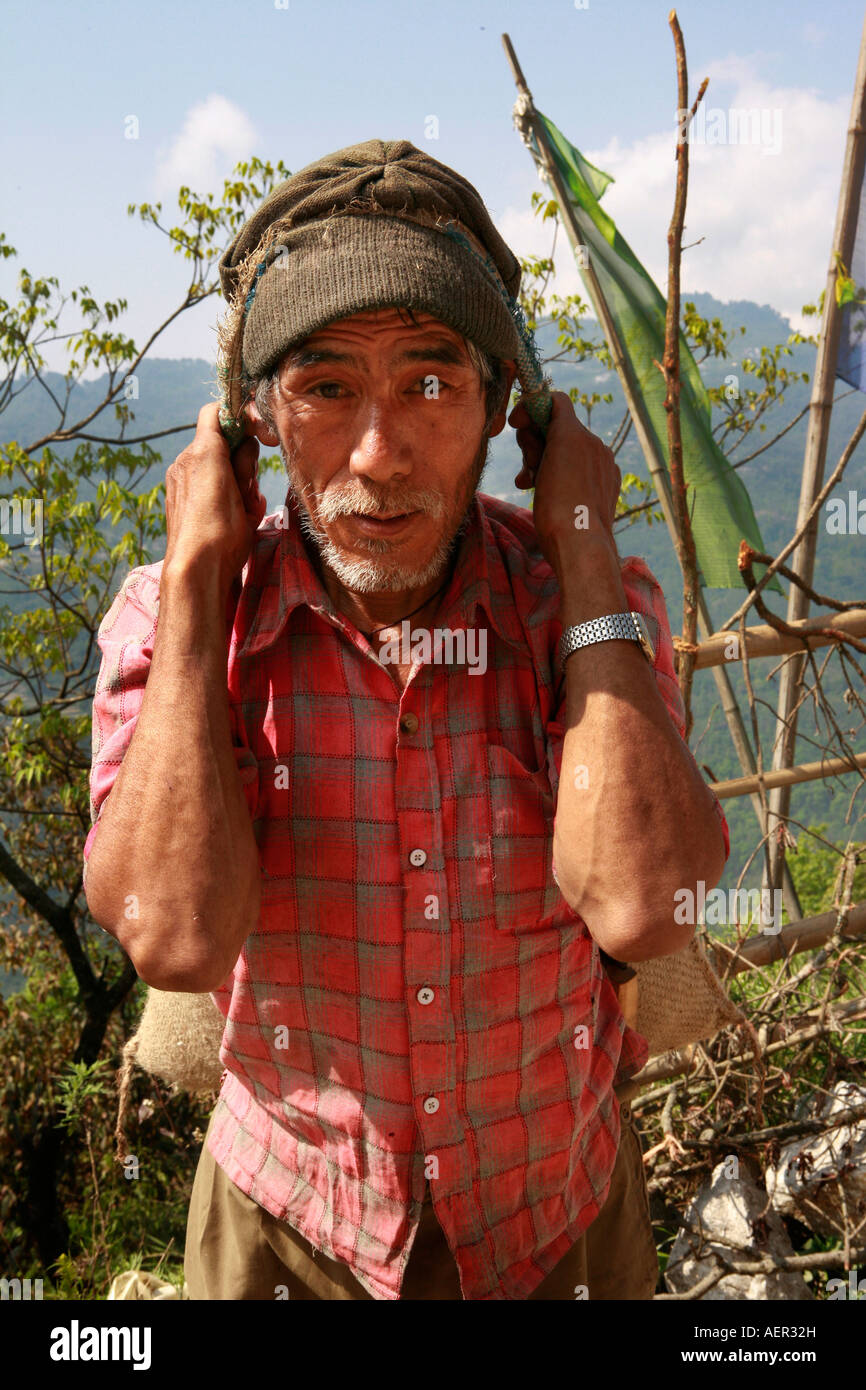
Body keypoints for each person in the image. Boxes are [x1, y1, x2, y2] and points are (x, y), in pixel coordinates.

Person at [83, 139, 730, 1301]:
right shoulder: (184, 623)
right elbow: (173, 935)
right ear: (257, 422)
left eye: (430, 382)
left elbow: (642, 905)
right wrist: (192, 586)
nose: (378, 457)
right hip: (285, 1232)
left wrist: (582, 543)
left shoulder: (573, 604)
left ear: (501, 412)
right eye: (327, 387)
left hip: (556, 1221)